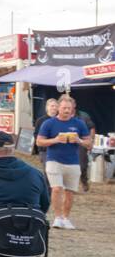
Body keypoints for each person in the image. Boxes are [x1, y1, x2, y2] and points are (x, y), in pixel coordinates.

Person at [35, 95, 93, 229]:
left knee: (70, 191)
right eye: (64, 108)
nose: (67, 110)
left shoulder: (79, 123)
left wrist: (79, 141)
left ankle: (66, 218)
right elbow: (39, 141)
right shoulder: (48, 123)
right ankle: (57, 217)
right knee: (56, 189)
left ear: (73, 109)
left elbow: (89, 143)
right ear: (58, 108)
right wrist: (55, 140)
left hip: (73, 161)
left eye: (69, 108)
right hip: (53, 160)